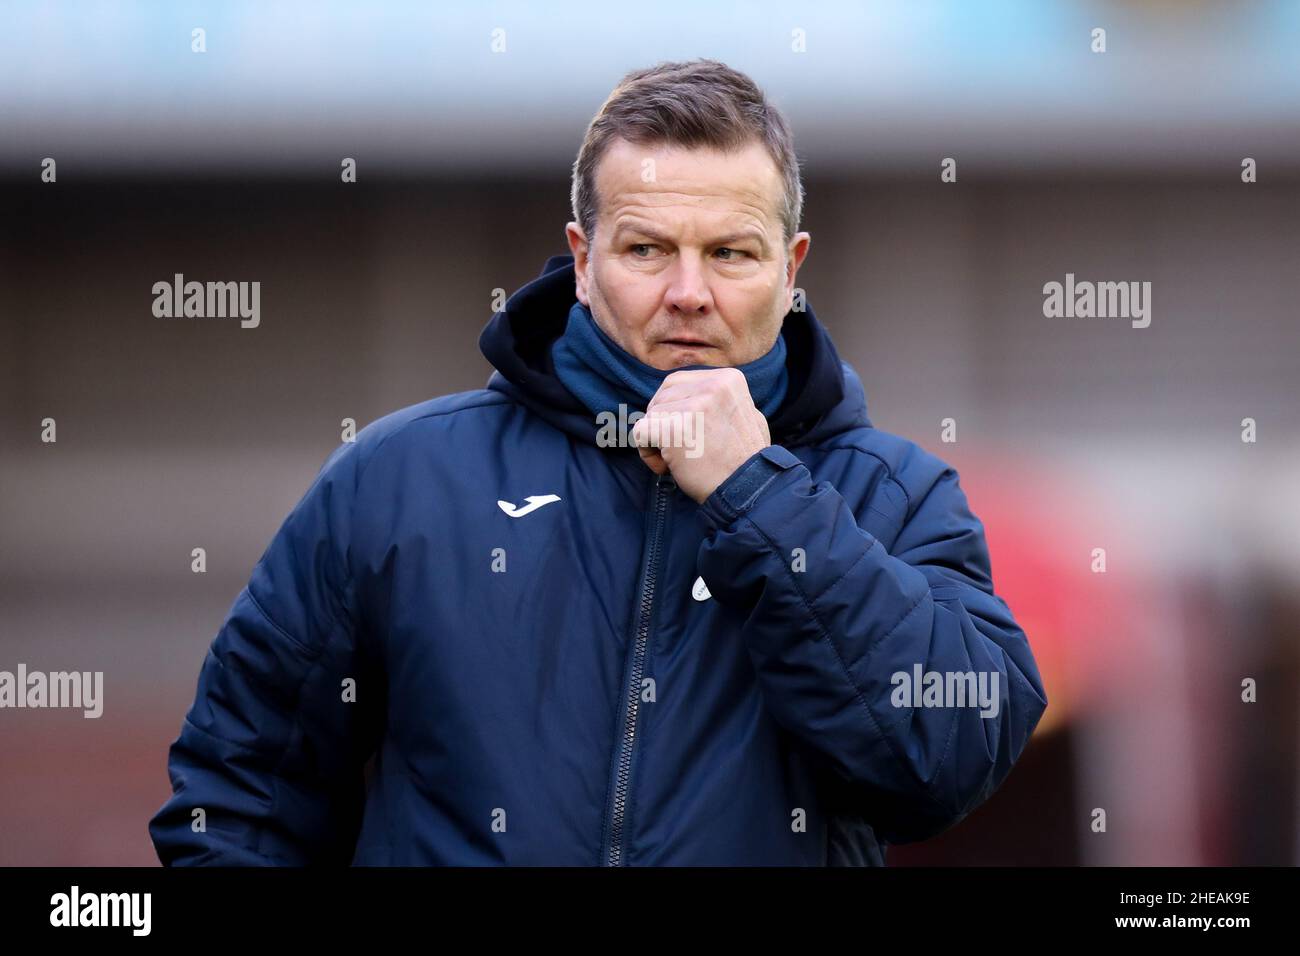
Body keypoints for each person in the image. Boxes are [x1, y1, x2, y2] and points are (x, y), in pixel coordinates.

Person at [149, 58, 1047, 866]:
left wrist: (758, 497)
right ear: (583, 261)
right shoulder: (398, 478)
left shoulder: (897, 497)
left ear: (790, 270)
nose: (688, 293)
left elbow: (950, 757)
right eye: (647, 249)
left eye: (730, 253)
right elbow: (238, 795)